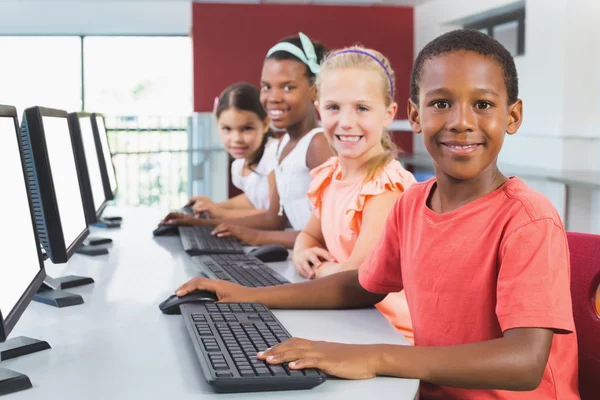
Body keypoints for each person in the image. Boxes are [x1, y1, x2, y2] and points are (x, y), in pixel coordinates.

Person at [174, 29, 579, 399]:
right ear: (415, 115)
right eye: (441, 103)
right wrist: (249, 297)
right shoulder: (412, 204)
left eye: (483, 104)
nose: (461, 121)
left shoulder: (527, 219)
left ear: (512, 116)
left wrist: (373, 357)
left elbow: (526, 362)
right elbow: (359, 286)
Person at [290, 46, 416, 342]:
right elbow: (308, 236)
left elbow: (356, 278)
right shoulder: (331, 175)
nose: (346, 121)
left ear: (387, 114)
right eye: (334, 107)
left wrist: (318, 269)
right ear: (319, 110)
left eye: (361, 108)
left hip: (391, 335)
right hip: (353, 319)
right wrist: (302, 252)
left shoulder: (385, 186)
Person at [162, 33, 333, 248]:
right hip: (300, 254)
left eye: (288, 87)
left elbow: (329, 235)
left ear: (315, 90)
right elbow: (273, 219)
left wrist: (254, 237)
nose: (274, 97)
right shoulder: (282, 146)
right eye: (266, 86)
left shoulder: (318, 144)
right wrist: (198, 223)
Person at [187, 82, 278, 219]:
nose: (236, 139)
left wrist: (220, 213)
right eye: (227, 129)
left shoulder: (274, 155)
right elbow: (254, 200)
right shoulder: (239, 166)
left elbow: (274, 215)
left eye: (247, 128)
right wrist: (213, 206)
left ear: (265, 124)